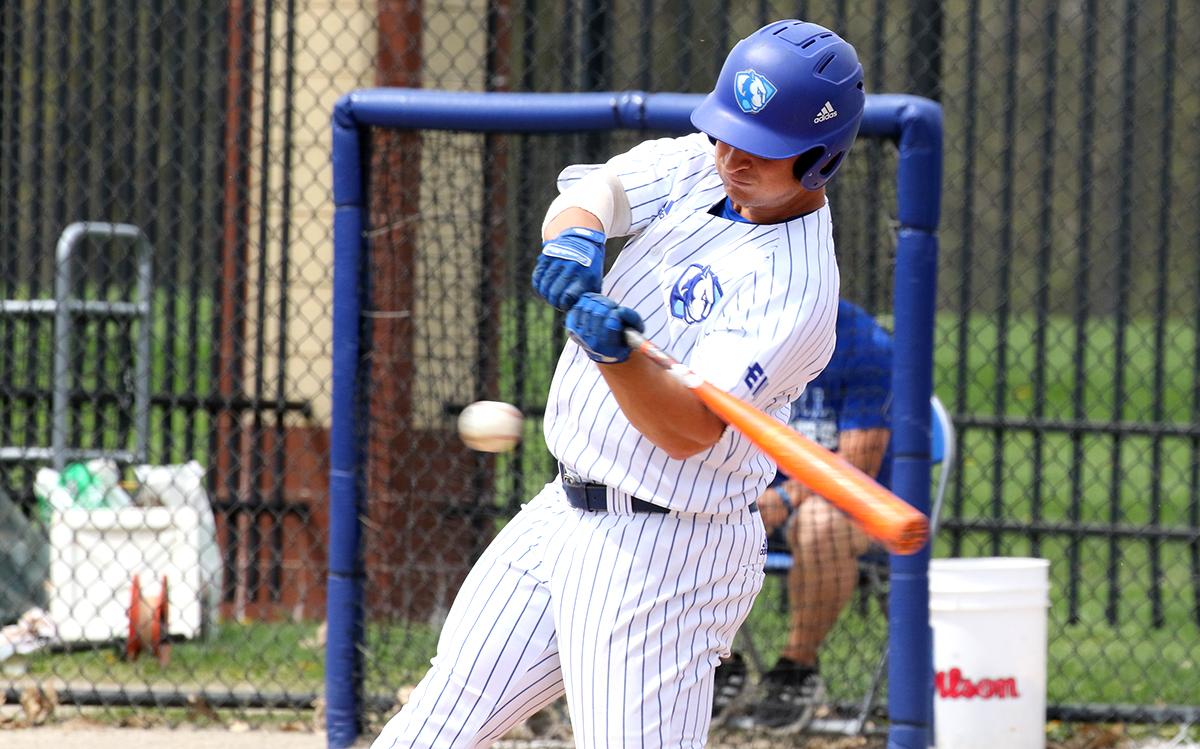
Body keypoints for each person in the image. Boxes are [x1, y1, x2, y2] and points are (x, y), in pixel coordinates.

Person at [371, 19, 864, 749]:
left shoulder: (794, 288)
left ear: (819, 159)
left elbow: (689, 429)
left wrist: (615, 356)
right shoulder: (707, 160)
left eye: (759, 151)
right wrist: (575, 235)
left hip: (666, 550)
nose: (731, 157)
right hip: (560, 511)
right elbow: (599, 190)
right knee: (434, 726)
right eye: (725, 133)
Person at [711, 298, 893, 732]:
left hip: (847, 504)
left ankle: (796, 668)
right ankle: (719, 663)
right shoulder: (735, 330)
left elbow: (857, 464)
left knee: (819, 525)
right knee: (688, 506)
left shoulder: (865, 342)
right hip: (753, 496)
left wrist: (788, 498)